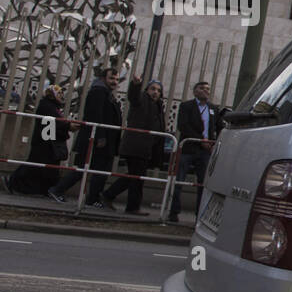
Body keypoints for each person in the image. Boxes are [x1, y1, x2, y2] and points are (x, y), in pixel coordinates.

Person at [49, 65, 122, 206]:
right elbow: (96, 116)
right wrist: (100, 137)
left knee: (93, 169)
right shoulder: (99, 92)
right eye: (111, 78)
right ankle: (62, 190)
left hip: (101, 138)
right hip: (96, 139)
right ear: (103, 78)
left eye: (117, 79)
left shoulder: (104, 92)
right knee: (89, 169)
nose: (114, 82)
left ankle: (89, 198)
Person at [102, 76, 166, 214]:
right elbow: (134, 96)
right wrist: (136, 85)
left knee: (134, 176)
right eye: (152, 89)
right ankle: (129, 205)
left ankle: (111, 196)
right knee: (136, 177)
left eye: (158, 90)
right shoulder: (142, 100)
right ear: (147, 90)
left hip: (146, 147)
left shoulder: (158, 106)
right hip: (136, 145)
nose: (155, 92)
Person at [4, 84, 75, 196]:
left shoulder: (51, 106)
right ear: (52, 95)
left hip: (47, 141)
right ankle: (14, 182)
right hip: (45, 143)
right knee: (36, 166)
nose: (62, 96)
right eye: (59, 93)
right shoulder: (48, 107)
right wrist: (68, 126)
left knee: (38, 167)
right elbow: (56, 122)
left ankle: (26, 186)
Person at [169, 81, 222, 222]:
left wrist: (213, 142)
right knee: (179, 180)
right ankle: (173, 211)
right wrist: (200, 140)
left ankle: (199, 214)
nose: (205, 90)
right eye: (202, 88)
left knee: (202, 183)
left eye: (207, 88)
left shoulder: (213, 109)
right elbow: (183, 125)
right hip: (189, 147)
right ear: (195, 91)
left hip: (205, 151)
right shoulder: (186, 106)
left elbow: (217, 127)